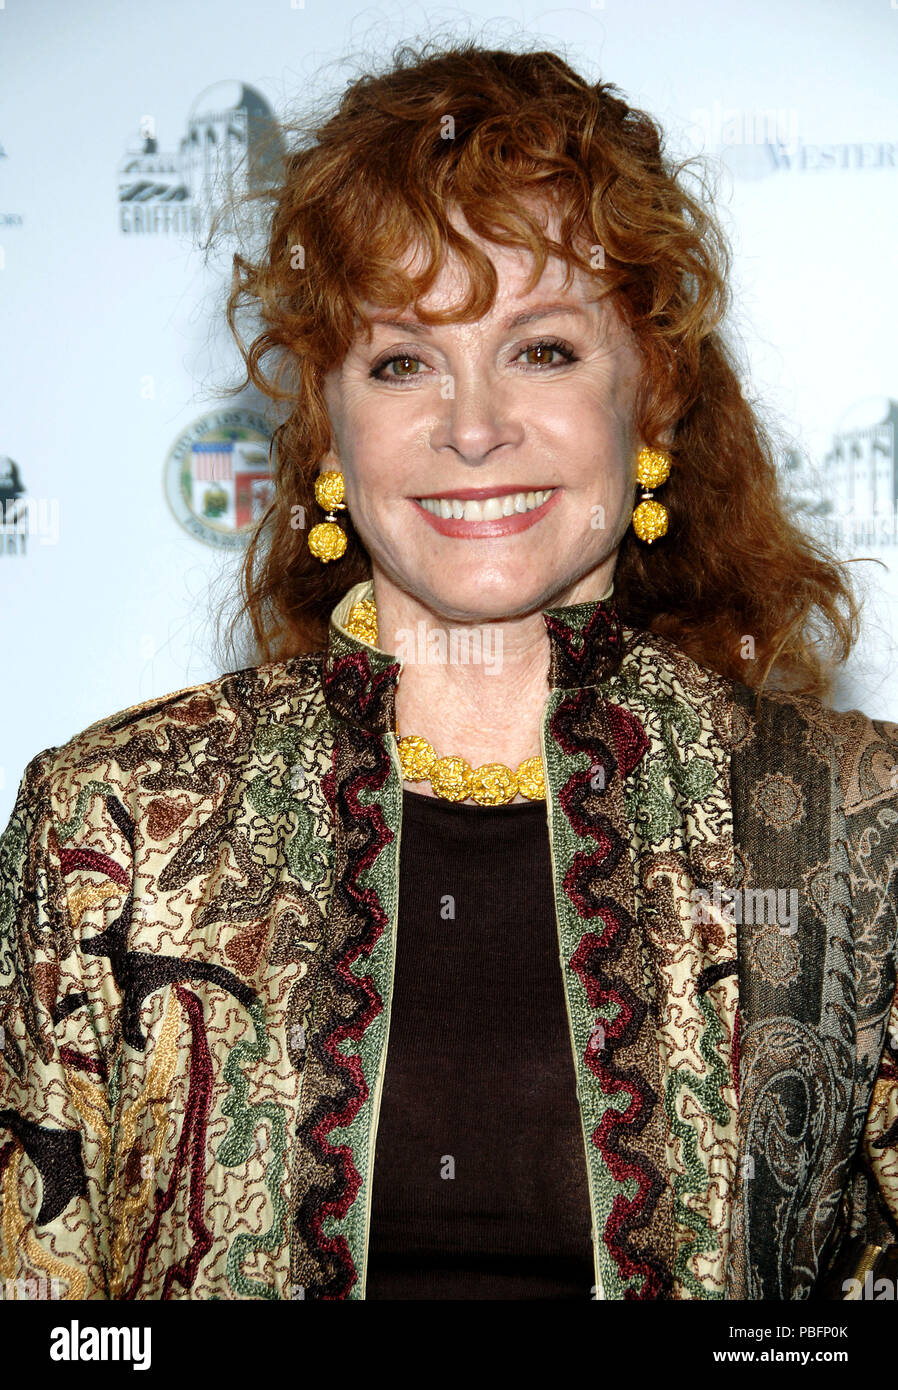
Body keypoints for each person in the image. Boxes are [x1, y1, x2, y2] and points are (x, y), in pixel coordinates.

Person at [1, 41, 896, 1303]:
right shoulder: (115, 825)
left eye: (541, 350)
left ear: (655, 400)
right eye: (402, 360)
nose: (472, 429)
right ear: (327, 426)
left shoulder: (857, 824)